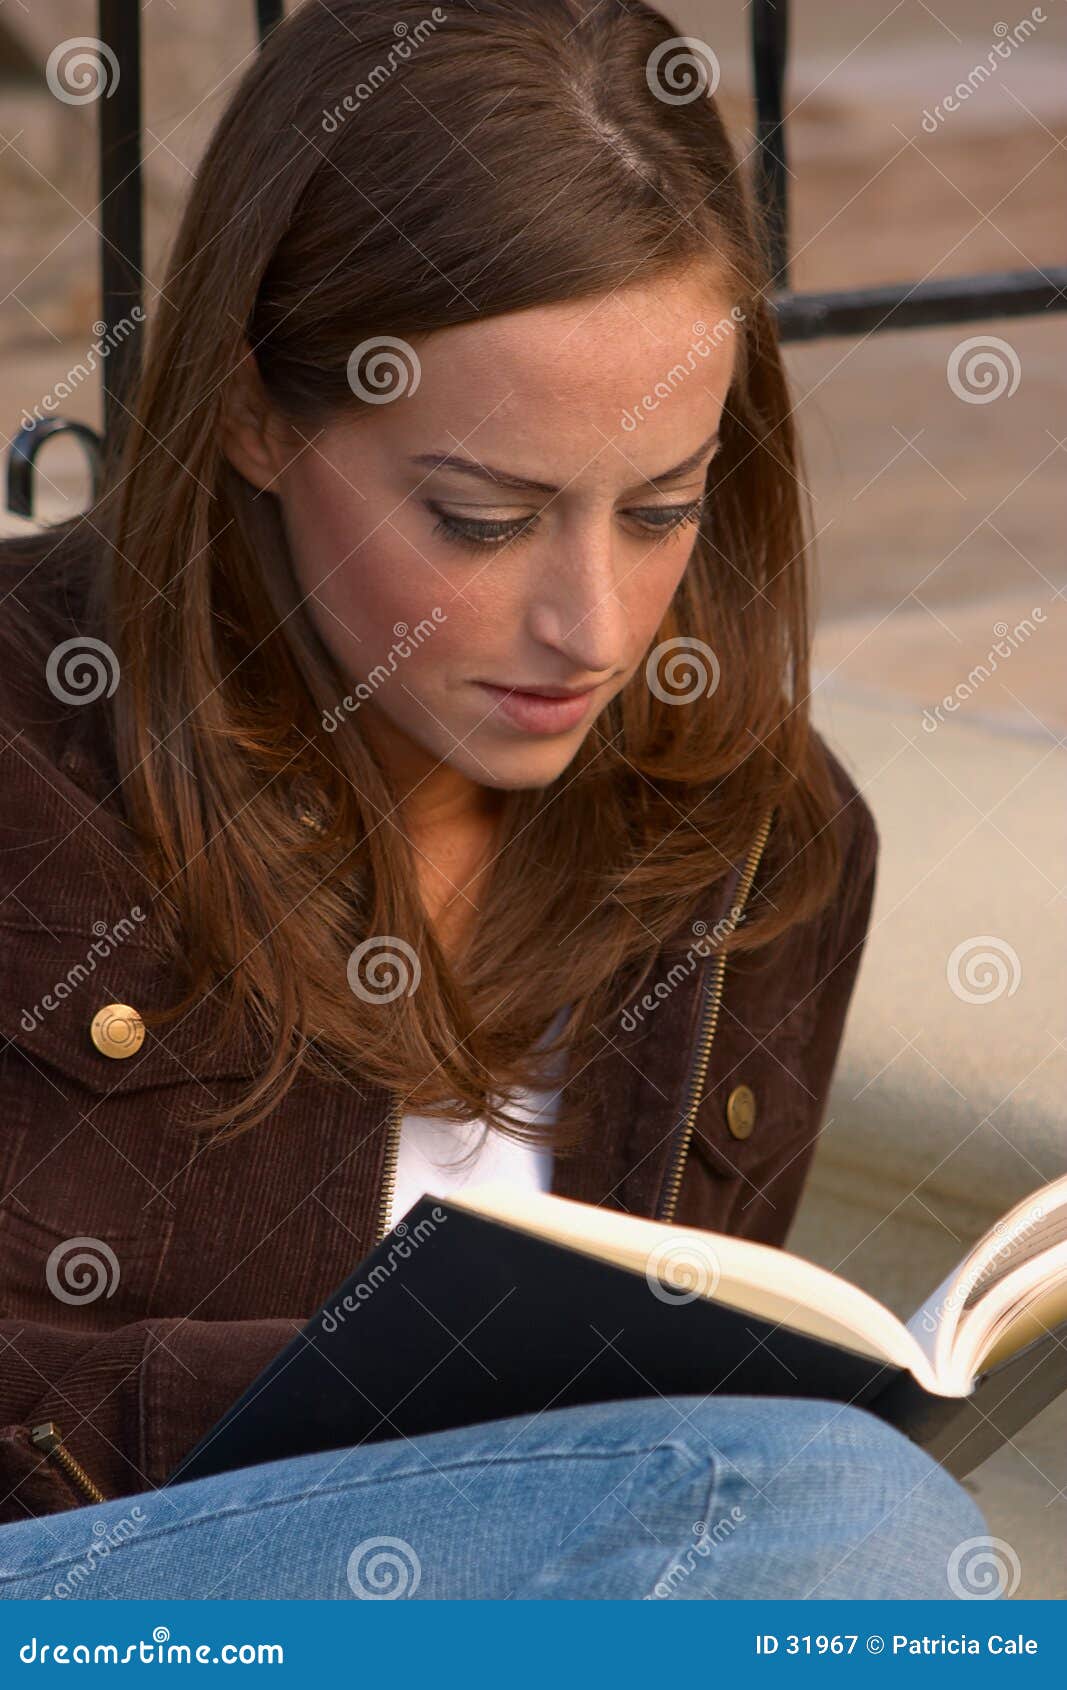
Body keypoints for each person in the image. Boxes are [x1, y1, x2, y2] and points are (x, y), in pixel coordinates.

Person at [0, 0, 988, 1599]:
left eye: (664, 509)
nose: (590, 626)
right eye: (481, 519)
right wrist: (438, 1446)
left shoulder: (765, 846)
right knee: (832, 1520)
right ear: (257, 407)